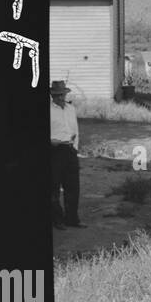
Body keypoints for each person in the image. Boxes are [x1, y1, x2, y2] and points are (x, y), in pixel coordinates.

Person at [50, 80, 84, 229]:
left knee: (73, 187)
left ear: (65, 94)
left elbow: (76, 131)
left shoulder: (71, 109)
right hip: (54, 151)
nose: (59, 97)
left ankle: (72, 219)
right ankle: (57, 220)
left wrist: (75, 148)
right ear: (52, 95)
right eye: (56, 95)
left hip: (70, 151)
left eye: (61, 95)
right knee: (54, 187)